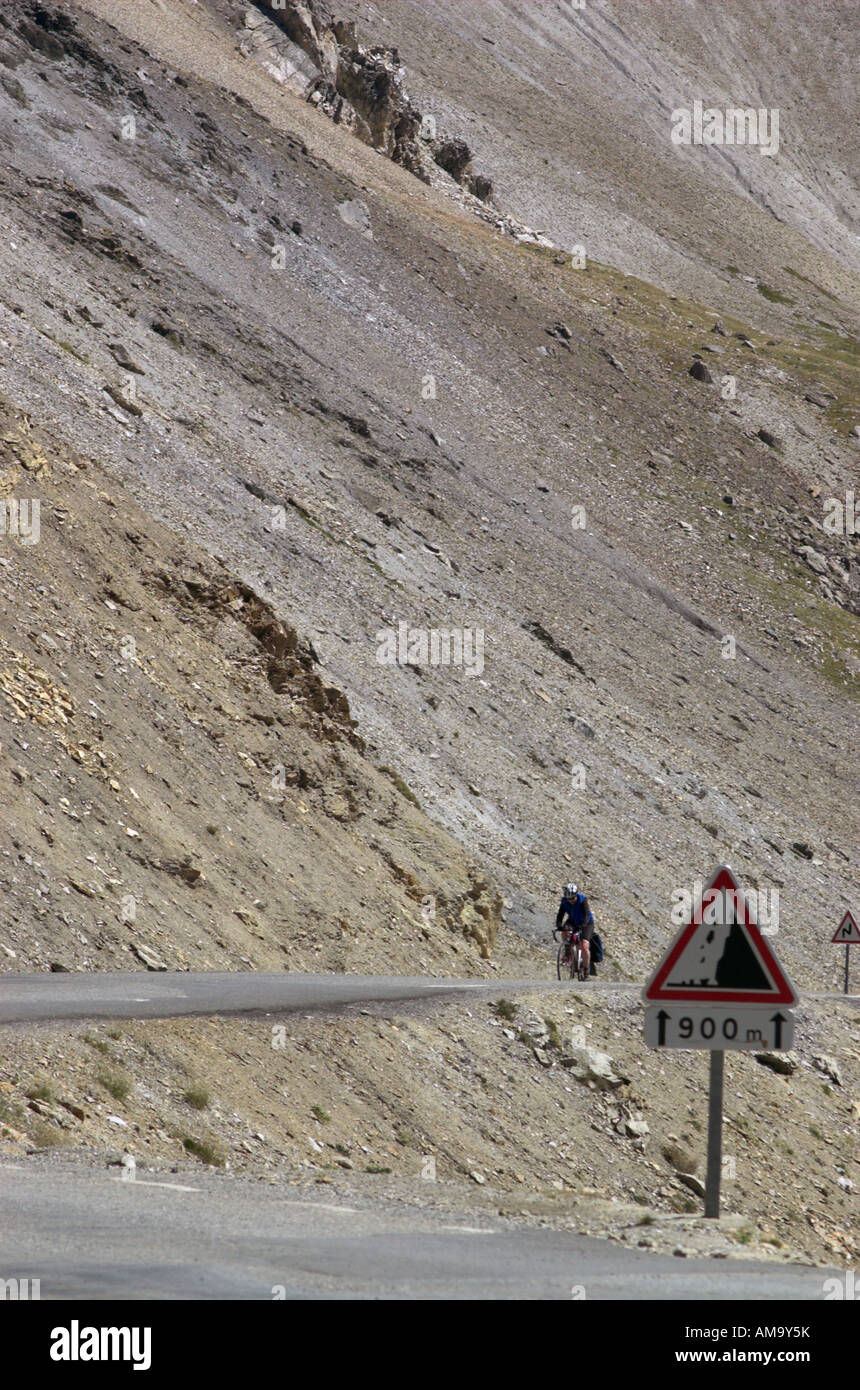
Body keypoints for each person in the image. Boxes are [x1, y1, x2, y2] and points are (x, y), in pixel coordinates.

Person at [555, 881, 597, 976]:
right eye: (568, 898)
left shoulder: (582, 900)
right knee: (564, 932)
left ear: (576, 895)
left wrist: (581, 927)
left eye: (573, 898)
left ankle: (586, 970)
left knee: (584, 945)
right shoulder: (564, 901)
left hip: (586, 923)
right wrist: (559, 925)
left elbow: (586, 915)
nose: (571, 900)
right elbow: (560, 914)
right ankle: (567, 953)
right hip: (573, 921)